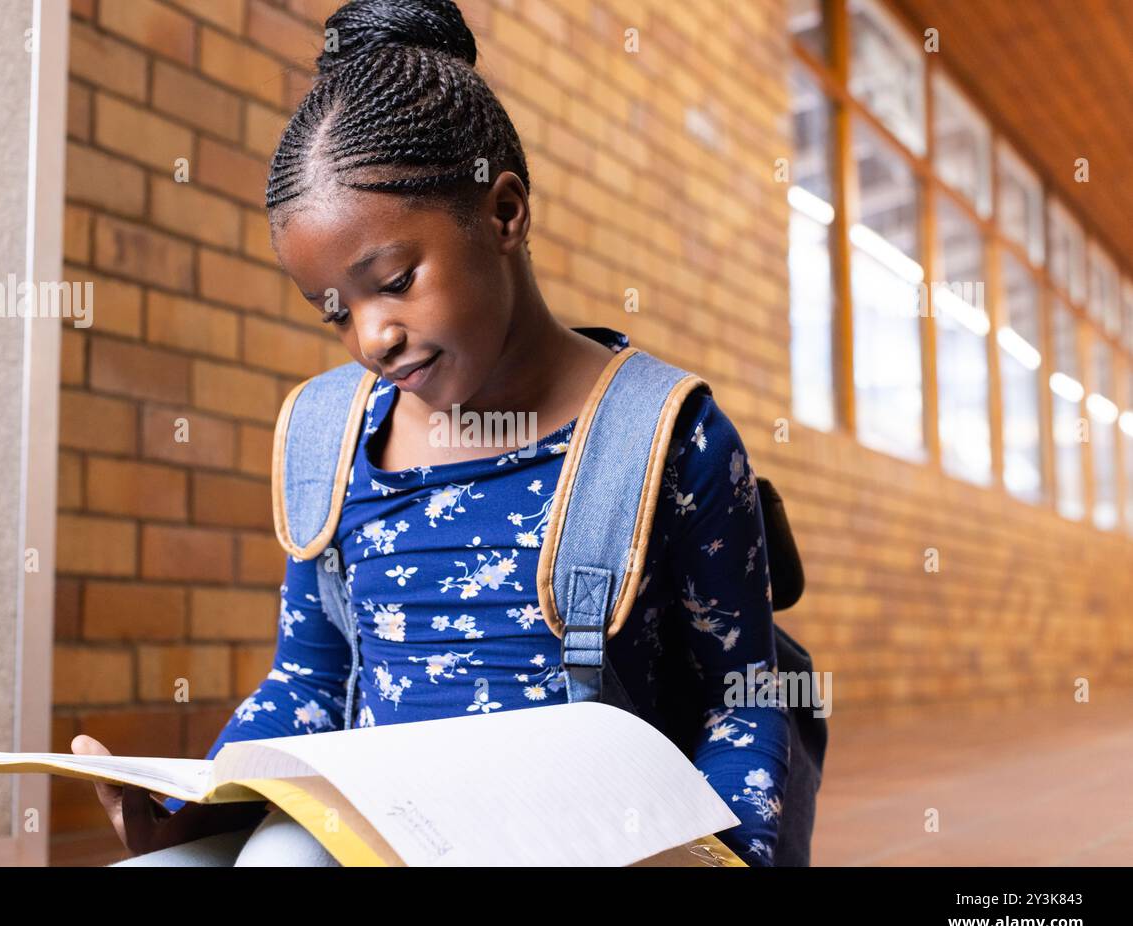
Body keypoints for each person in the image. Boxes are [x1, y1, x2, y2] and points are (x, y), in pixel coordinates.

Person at [77, 0, 789, 867]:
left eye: (396, 280)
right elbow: (307, 678)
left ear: (504, 214)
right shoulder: (329, 437)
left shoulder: (666, 438)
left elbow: (743, 699)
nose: (373, 334)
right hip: (377, 839)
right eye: (335, 309)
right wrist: (187, 806)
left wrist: (732, 855)